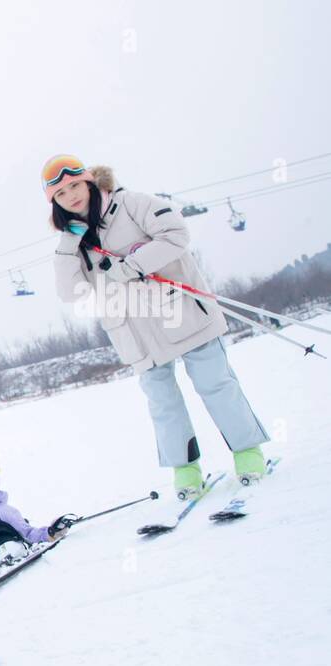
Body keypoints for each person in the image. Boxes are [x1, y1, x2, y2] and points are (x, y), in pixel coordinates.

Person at [46, 154, 270, 499]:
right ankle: (186, 469)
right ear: (54, 202)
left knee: (216, 385)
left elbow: (176, 234)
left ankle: (247, 451)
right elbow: (69, 292)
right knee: (163, 403)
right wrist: (67, 243)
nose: (71, 196)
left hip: (182, 314)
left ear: (89, 180)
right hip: (136, 335)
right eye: (61, 194)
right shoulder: (73, 243)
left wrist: (130, 266)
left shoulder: (132, 204)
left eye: (75, 185)